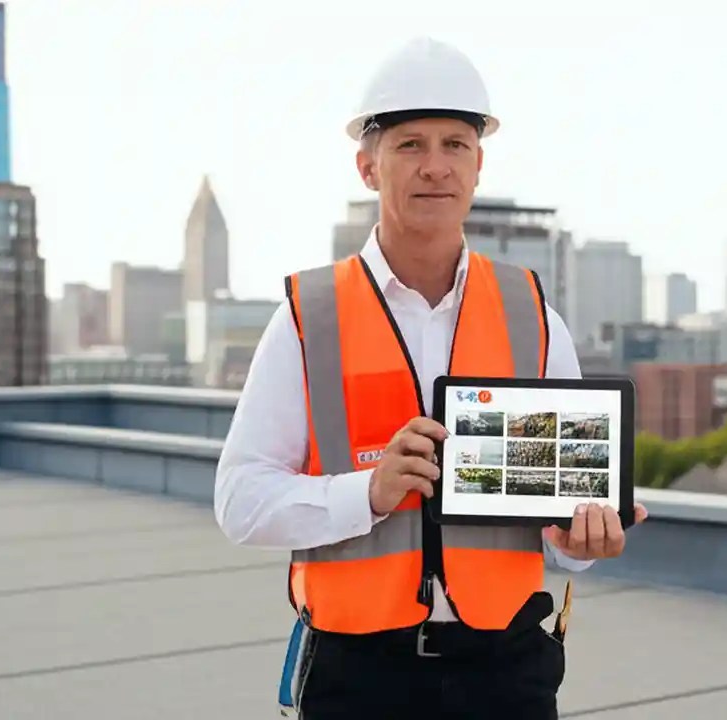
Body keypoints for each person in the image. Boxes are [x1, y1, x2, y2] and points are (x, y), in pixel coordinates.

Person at [214, 36, 648, 720]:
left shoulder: (534, 317)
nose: (435, 168)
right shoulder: (308, 318)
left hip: (507, 672)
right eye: (410, 145)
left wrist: (579, 540)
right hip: (357, 677)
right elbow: (240, 501)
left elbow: (563, 526)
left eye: (455, 145)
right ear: (367, 166)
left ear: (478, 166)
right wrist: (369, 493)